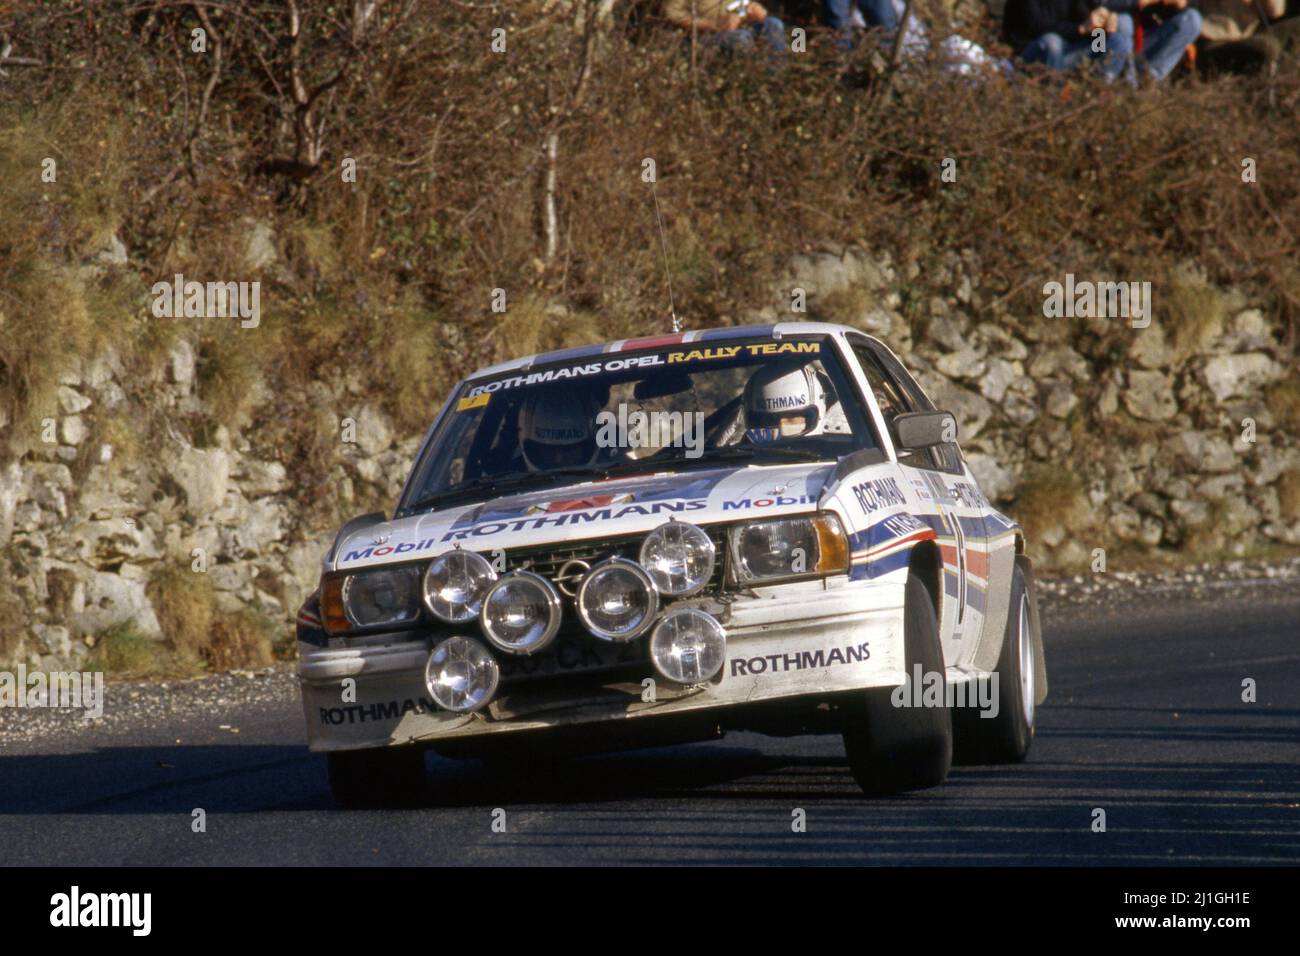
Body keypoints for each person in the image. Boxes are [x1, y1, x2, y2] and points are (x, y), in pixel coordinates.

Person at [1003, 0, 1136, 80]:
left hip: (1066, 53)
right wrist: (1080, 29)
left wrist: (1101, 29)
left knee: (1118, 40)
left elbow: (1088, 26)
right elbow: (1037, 26)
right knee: (1051, 42)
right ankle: (1053, 96)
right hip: (1031, 54)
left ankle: (1100, 91)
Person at [742, 362, 849, 443]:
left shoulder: (846, 452)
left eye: (791, 420)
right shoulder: (738, 456)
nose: (781, 430)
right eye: (769, 421)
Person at [661, 0, 788, 60]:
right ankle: (744, 85)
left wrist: (753, 9)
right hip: (704, 36)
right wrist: (713, 25)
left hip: (737, 27)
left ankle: (775, 76)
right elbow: (673, 15)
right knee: (741, 38)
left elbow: (739, 5)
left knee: (774, 24)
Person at [1197, 0, 1299, 74]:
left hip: (1251, 35)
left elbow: (1275, 12)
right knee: (1268, 47)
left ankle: (1288, 68)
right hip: (1216, 40)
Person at [1109, 0, 1203, 80]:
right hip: (1119, 38)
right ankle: (1116, 76)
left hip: (1147, 39)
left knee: (1191, 19)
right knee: (1123, 22)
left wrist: (1180, 5)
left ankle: (1148, 78)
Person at [516, 390, 602, 471]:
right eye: (550, 451)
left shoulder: (613, 468)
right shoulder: (508, 479)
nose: (561, 459)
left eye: (571, 450)